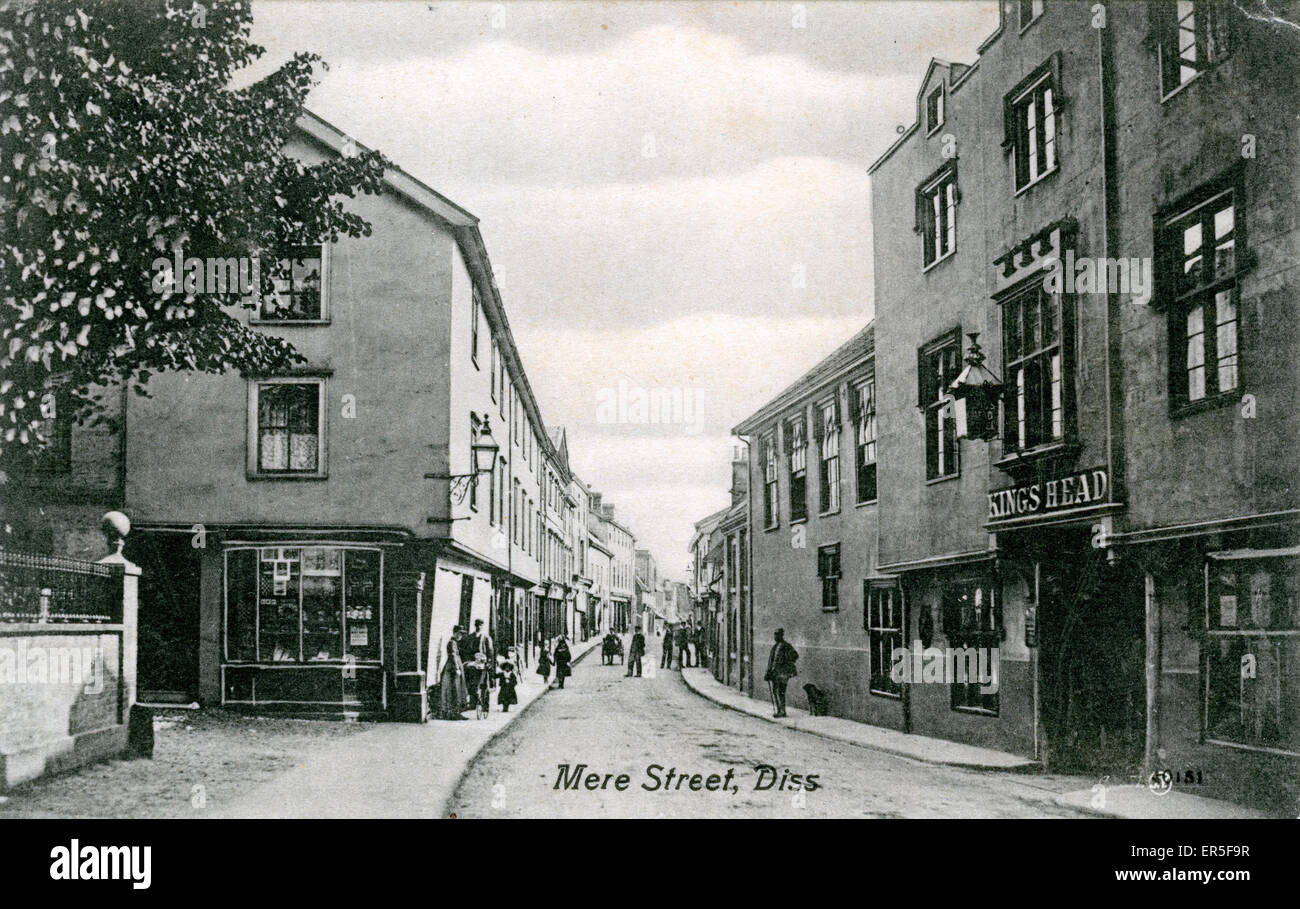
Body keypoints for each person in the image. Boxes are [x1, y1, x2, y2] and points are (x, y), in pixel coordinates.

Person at [764, 628, 799, 718]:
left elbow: (795, 655)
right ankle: (779, 710)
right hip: (775, 673)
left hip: (783, 673)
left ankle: (782, 711)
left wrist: (787, 662)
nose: (775, 636)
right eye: (775, 634)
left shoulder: (786, 646)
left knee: (781, 691)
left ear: (781, 635)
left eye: (777, 635)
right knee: (775, 691)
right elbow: (771, 662)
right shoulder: (775, 647)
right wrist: (768, 672)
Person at [436, 626, 469, 720]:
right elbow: (453, 655)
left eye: (462, 634)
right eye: (459, 633)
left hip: (454, 668)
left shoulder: (455, 643)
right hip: (452, 669)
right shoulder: (452, 643)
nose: (461, 636)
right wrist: (457, 668)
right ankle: (453, 713)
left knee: (457, 689)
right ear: (455, 633)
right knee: (454, 689)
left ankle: (456, 712)